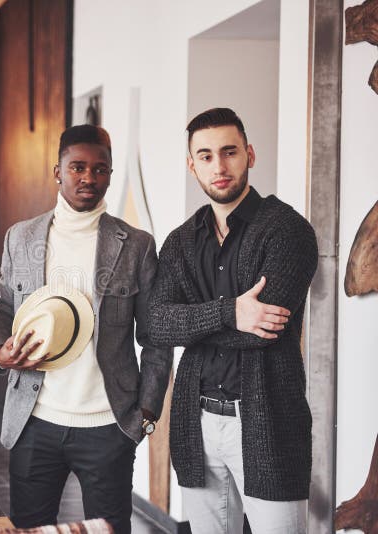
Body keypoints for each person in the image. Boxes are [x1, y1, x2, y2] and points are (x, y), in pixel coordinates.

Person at [0, 124, 172, 533]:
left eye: (100, 169)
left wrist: (145, 413)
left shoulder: (136, 244)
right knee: (31, 529)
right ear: (58, 171)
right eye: (78, 168)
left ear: (109, 173)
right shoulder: (22, 237)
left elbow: (156, 337)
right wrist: (1, 349)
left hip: (108, 424)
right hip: (34, 422)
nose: (89, 178)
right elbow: (1, 309)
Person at [148, 108, 318, 534]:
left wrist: (193, 321)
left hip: (268, 421)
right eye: (205, 156)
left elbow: (265, 331)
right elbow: (155, 325)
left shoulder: (287, 230)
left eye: (229, 152)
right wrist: (231, 312)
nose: (219, 167)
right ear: (192, 165)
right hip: (196, 423)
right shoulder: (181, 241)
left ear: (250, 154)